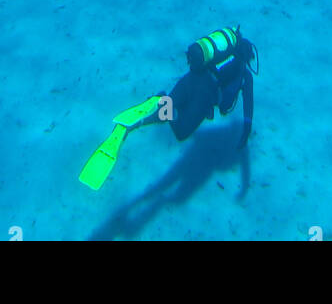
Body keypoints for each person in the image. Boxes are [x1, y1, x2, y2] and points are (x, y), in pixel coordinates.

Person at [79, 26, 258, 190]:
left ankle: (131, 124)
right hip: (204, 95)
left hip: (191, 78)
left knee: (166, 110)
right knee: (180, 130)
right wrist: (245, 133)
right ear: (247, 58)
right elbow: (248, 110)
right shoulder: (244, 75)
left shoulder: (220, 52)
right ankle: (161, 102)